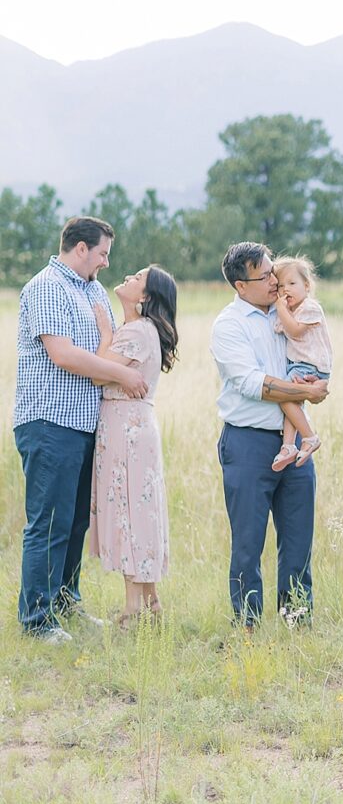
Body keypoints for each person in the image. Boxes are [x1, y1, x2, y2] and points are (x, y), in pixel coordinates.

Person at [14, 216, 147, 643]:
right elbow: (65, 355)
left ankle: (66, 601)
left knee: (74, 524)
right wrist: (122, 375)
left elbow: (101, 348)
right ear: (81, 248)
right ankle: (37, 619)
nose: (107, 262)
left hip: (86, 424)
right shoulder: (46, 287)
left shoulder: (91, 291)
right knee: (48, 523)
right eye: (104, 252)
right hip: (50, 421)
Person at [210, 242, 329, 629]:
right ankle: (247, 624)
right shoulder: (229, 325)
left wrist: (314, 382)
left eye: (273, 273)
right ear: (241, 286)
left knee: (297, 542)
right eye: (264, 277)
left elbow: (311, 356)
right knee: (248, 542)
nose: (274, 282)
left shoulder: (290, 312)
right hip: (248, 442)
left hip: (291, 442)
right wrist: (305, 393)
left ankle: (297, 620)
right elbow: (252, 384)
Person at [88, 266, 179, 626]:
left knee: (129, 510)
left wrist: (106, 333)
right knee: (141, 509)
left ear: (144, 297)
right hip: (132, 427)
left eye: (138, 278)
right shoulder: (141, 330)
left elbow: (97, 372)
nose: (128, 276)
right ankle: (151, 601)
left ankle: (131, 611)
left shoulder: (137, 332)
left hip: (126, 429)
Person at [270, 256, 333, 471]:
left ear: (306, 286)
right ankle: (288, 446)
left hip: (310, 366)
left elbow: (295, 331)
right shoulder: (290, 312)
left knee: (284, 398)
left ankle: (309, 436)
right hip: (298, 366)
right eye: (280, 286)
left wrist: (280, 307)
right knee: (292, 404)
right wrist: (283, 309)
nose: (286, 289)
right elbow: (281, 327)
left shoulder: (310, 307)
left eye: (292, 283)